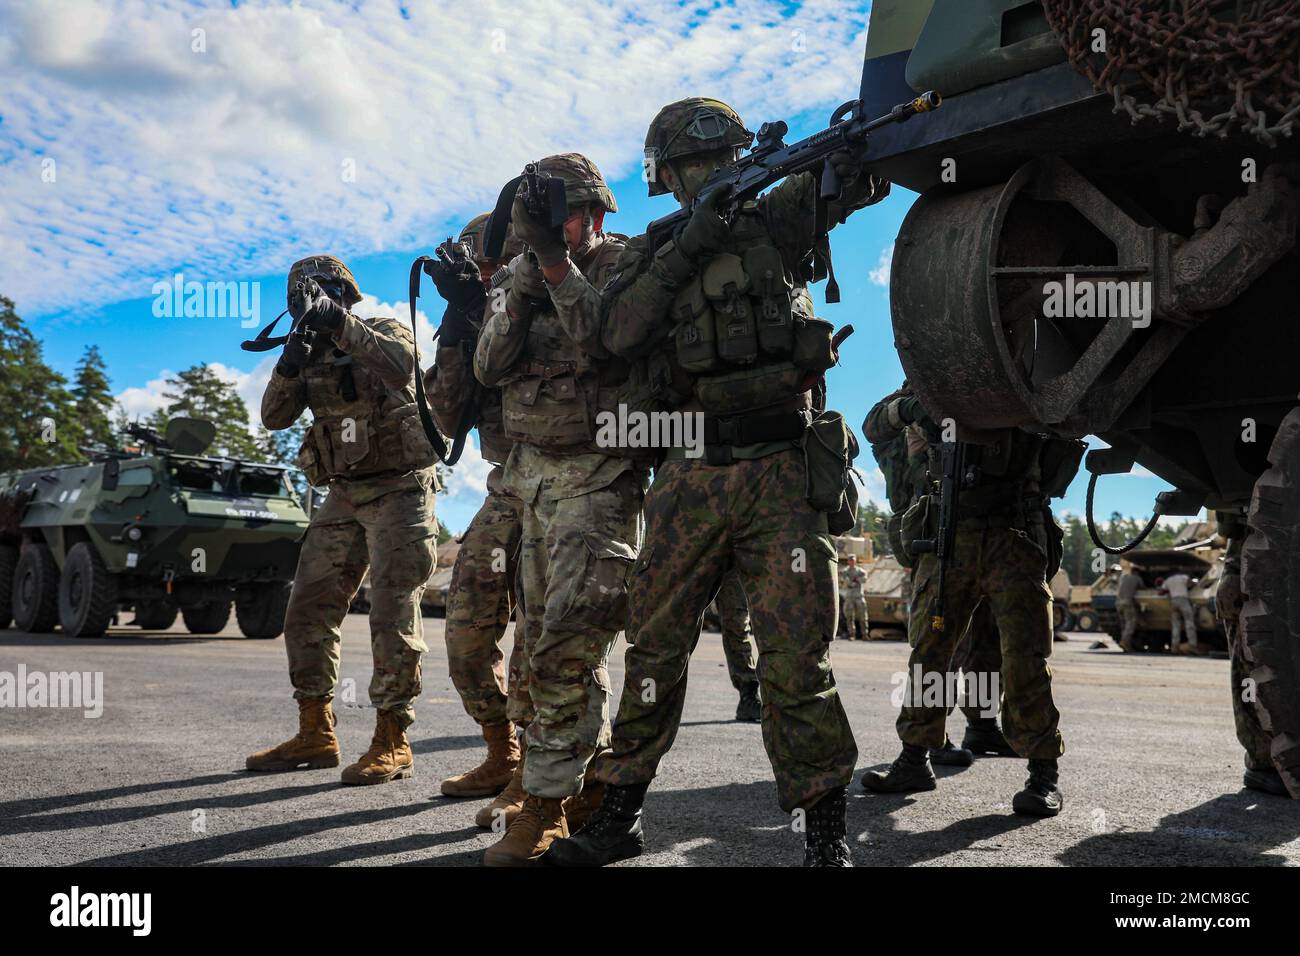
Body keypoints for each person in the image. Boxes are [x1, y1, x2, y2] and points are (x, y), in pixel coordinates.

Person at [546, 96, 889, 868]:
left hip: (779, 466)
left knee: (797, 660)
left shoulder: (778, 216)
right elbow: (615, 332)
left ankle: (825, 832)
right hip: (691, 469)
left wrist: (856, 138)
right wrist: (688, 247)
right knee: (655, 651)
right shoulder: (652, 250)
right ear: (671, 177)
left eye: (713, 163)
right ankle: (621, 813)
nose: (701, 176)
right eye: (696, 167)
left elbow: (860, 178)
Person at [474, 153, 649, 865]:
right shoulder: (519, 271)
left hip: (600, 475)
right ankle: (586, 788)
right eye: (550, 214)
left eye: (570, 213)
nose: (563, 225)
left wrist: (556, 266)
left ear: (599, 213)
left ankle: (543, 806)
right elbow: (489, 364)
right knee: (549, 642)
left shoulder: (625, 264)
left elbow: (609, 343)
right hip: (534, 481)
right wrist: (524, 274)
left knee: (567, 648)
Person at [246, 255, 438, 786]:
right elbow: (273, 417)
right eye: (302, 297)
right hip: (344, 493)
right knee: (307, 608)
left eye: (322, 292)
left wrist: (338, 323)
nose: (307, 303)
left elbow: (402, 365)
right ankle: (316, 731)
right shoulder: (305, 352)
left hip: (401, 487)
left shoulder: (380, 329)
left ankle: (392, 739)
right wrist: (290, 360)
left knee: (392, 613)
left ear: (347, 294)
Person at [860, 389, 1083, 818]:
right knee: (930, 653)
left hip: (1013, 529)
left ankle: (1043, 775)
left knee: (1025, 657)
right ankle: (914, 758)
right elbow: (874, 425)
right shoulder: (931, 378)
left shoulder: (1024, 374)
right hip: (949, 532)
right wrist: (912, 406)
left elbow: (1071, 417)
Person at [423, 214, 535, 826]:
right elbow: (445, 416)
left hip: (568, 477)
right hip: (506, 484)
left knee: (542, 645)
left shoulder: (548, 290)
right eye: (474, 262)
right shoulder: (476, 314)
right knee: (465, 631)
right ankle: (502, 750)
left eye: (489, 259)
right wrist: (459, 318)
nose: (482, 269)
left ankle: (538, 776)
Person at [864, 385, 1016, 767]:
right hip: (934, 533)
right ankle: (934, 737)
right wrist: (912, 408)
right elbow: (873, 427)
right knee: (941, 644)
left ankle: (982, 725)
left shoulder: (969, 400)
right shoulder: (908, 404)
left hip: (978, 531)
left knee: (986, 641)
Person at [713, 569, 761, 721]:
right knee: (676, 621)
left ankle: (748, 693)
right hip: (693, 551)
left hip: (735, 556)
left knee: (736, 622)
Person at [1163, 571, 1201, 654]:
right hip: (1183, 600)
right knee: (1189, 622)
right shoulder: (1183, 577)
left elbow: (1163, 590)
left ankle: (1174, 646)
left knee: (1176, 625)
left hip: (1173, 601)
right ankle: (1192, 645)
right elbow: (1191, 584)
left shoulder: (1168, 580)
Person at [839, 553, 869, 640]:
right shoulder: (845, 571)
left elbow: (864, 578)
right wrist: (852, 582)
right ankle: (852, 634)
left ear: (855, 561)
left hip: (859, 596)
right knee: (849, 617)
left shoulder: (860, 571)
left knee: (863, 616)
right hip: (849, 596)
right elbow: (845, 581)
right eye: (850, 560)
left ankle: (865, 634)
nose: (852, 562)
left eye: (853, 560)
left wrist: (856, 580)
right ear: (848, 561)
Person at [1116, 563, 1142, 652]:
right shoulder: (1137, 578)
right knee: (1130, 623)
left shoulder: (1124, 576)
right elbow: (1142, 587)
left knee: (1124, 624)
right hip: (1127, 603)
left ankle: (1127, 645)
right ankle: (1124, 642)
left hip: (1118, 602)